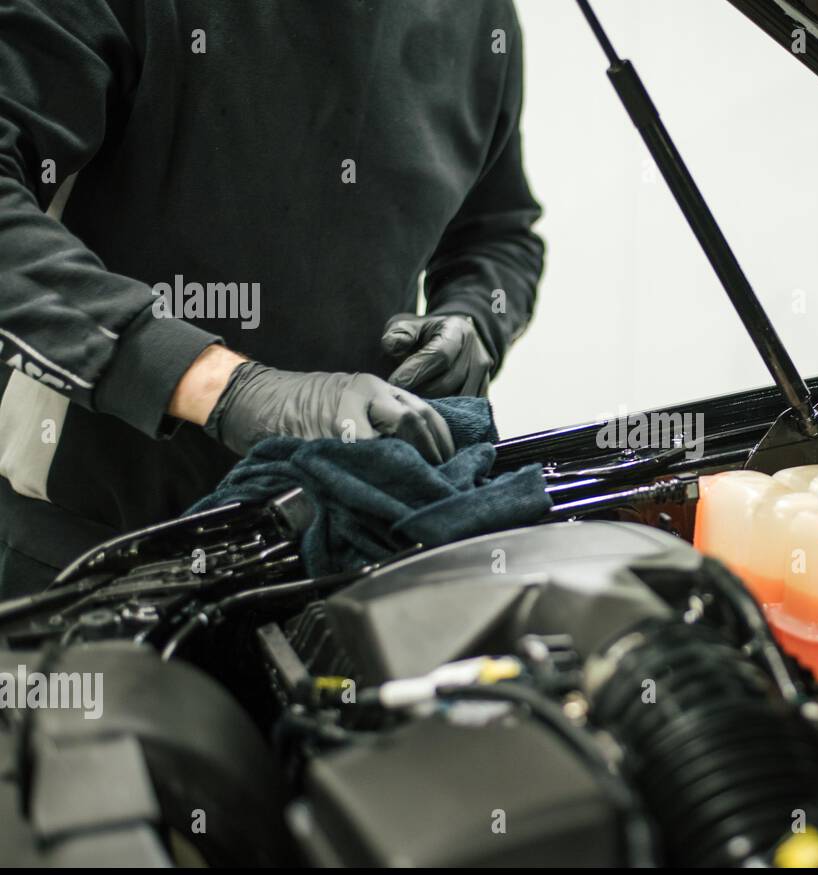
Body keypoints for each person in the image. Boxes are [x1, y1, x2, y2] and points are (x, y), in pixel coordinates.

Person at [0, 0, 545, 597]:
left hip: (337, 547)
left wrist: (471, 319)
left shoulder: (478, 18)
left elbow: (497, 230)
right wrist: (223, 387)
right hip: (85, 556)